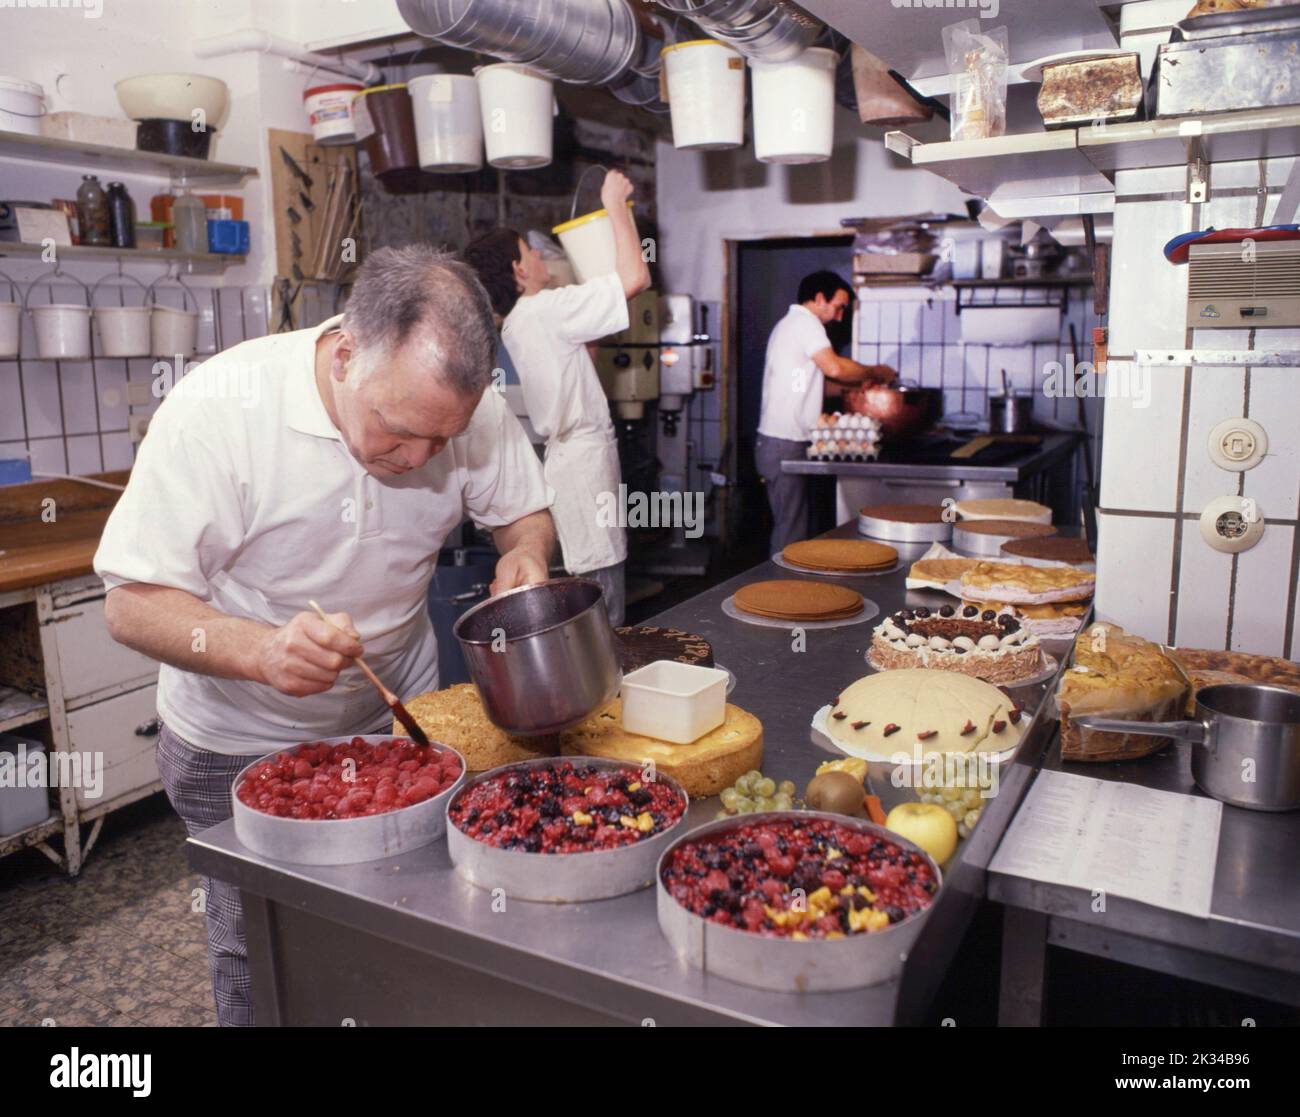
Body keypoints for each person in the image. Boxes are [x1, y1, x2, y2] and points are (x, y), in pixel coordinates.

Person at [94, 246, 556, 1026]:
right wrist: (262, 651)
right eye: (400, 431)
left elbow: (524, 513)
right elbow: (132, 603)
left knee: (395, 937)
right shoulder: (222, 409)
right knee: (263, 958)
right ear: (345, 354)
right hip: (237, 743)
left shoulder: (456, 406)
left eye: (441, 443)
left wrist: (526, 554)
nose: (417, 459)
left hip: (391, 732)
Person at [462, 169, 651, 626]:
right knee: (603, 603)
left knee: (587, 598)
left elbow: (575, 354)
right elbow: (635, 277)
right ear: (519, 269)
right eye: (531, 250)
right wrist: (614, 206)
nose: (542, 254)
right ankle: (607, 690)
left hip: (570, 465)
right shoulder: (545, 308)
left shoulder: (521, 321)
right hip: (582, 468)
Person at [755, 270, 896, 553]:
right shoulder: (806, 324)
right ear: (820, 299)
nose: (840, 316)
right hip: (784, 444)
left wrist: (853, 388)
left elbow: (814, 384)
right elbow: (834, 367)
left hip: (779, 443)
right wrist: (876, 372)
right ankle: (781, 593)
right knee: (790, 533)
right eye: (839, 307)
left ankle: (790, 591)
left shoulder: (791, 324)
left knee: (793, 526)